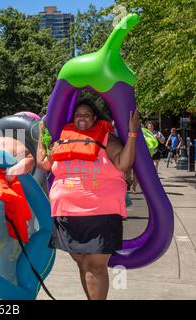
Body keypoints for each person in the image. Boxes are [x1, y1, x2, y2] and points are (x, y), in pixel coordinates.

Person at [37, 99, 140, 300]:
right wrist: (42, 134)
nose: (81, 118)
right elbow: (43, 163)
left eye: (86, 114)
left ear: (94, 117)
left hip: (100, 214)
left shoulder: (106, 137)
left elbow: (124, 163)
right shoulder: (63, 139)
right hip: (66, 213)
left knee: (94, 266)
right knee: (82, 262)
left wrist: (132, 133)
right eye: (78, 114)